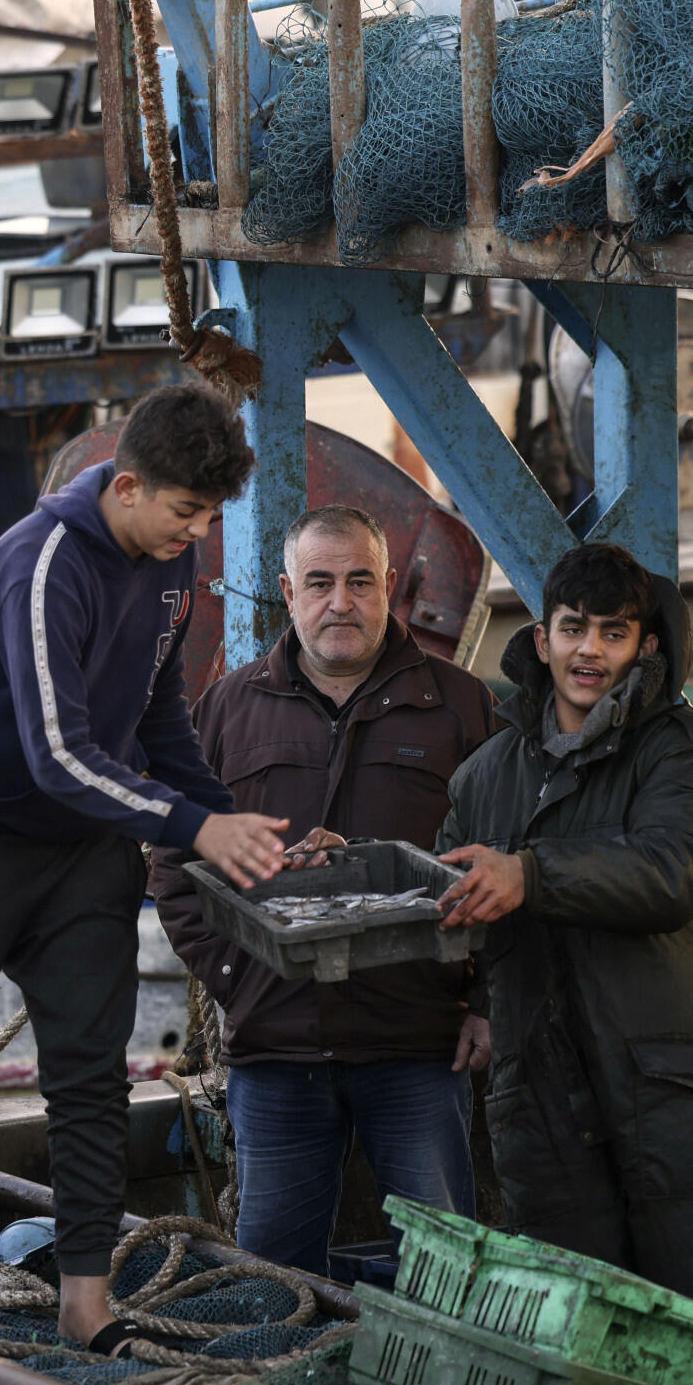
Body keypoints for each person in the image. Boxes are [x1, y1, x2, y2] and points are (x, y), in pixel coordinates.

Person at [0, 383, 291, 1351]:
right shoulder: (42, 565)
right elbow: (59, 753)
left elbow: (156, 715)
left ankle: (85, 1303)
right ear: (125, 487)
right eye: (183, 512)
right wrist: (189, 829)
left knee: (89, 1077)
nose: (197, 533)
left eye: (210, 516)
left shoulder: (174, 555)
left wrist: (226, 820)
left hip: (78, 847)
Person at [436, 541, 693, 1336]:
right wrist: (358, 863)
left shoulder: (686, 751)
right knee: (584, 1331)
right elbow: (450, 893)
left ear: (644, 646)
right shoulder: (483, 775)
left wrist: (531, 874)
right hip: (542, 1090)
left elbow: (674, 871)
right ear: (541, 639)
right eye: (574, 628)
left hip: (687, 1086)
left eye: (614, 633)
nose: (591, 650)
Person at [149, 505, 498, 1277]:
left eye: (358, 581)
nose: (340, 601)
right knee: (275, 1278)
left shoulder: (462, 707)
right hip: (275, 1052)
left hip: (419, 1043)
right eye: (319, 582)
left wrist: (484, 1003)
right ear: (287, 591)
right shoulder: (225, 712)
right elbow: (174, 870)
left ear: (390, 587)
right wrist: (240, 979)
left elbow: (508, 864)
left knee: (444, 1270)